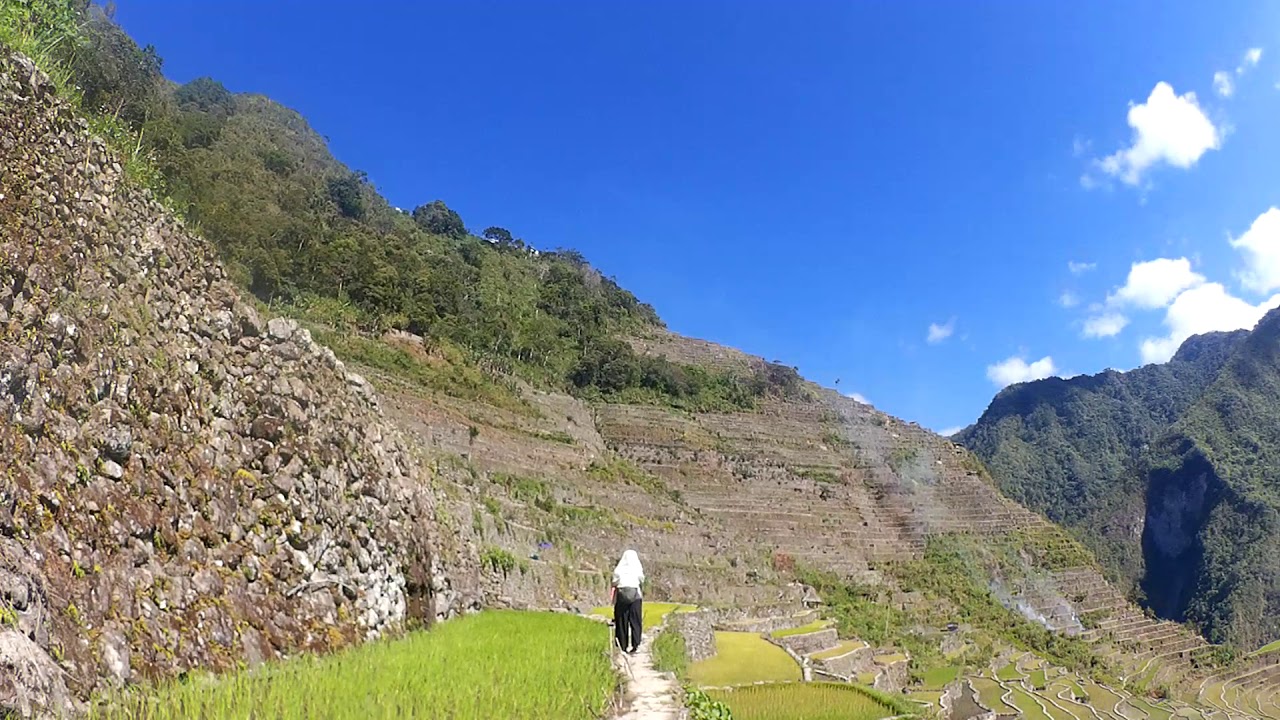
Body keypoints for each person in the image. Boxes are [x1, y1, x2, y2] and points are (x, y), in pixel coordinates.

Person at [611, 549, 644, 654]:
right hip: (636, 597)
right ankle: (636, 645)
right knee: (635, 621)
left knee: (621, 621)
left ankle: (622, 645)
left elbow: (614, 582)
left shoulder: (619, 570)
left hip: (622, 598)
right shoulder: (637, 568)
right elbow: (641, 579)